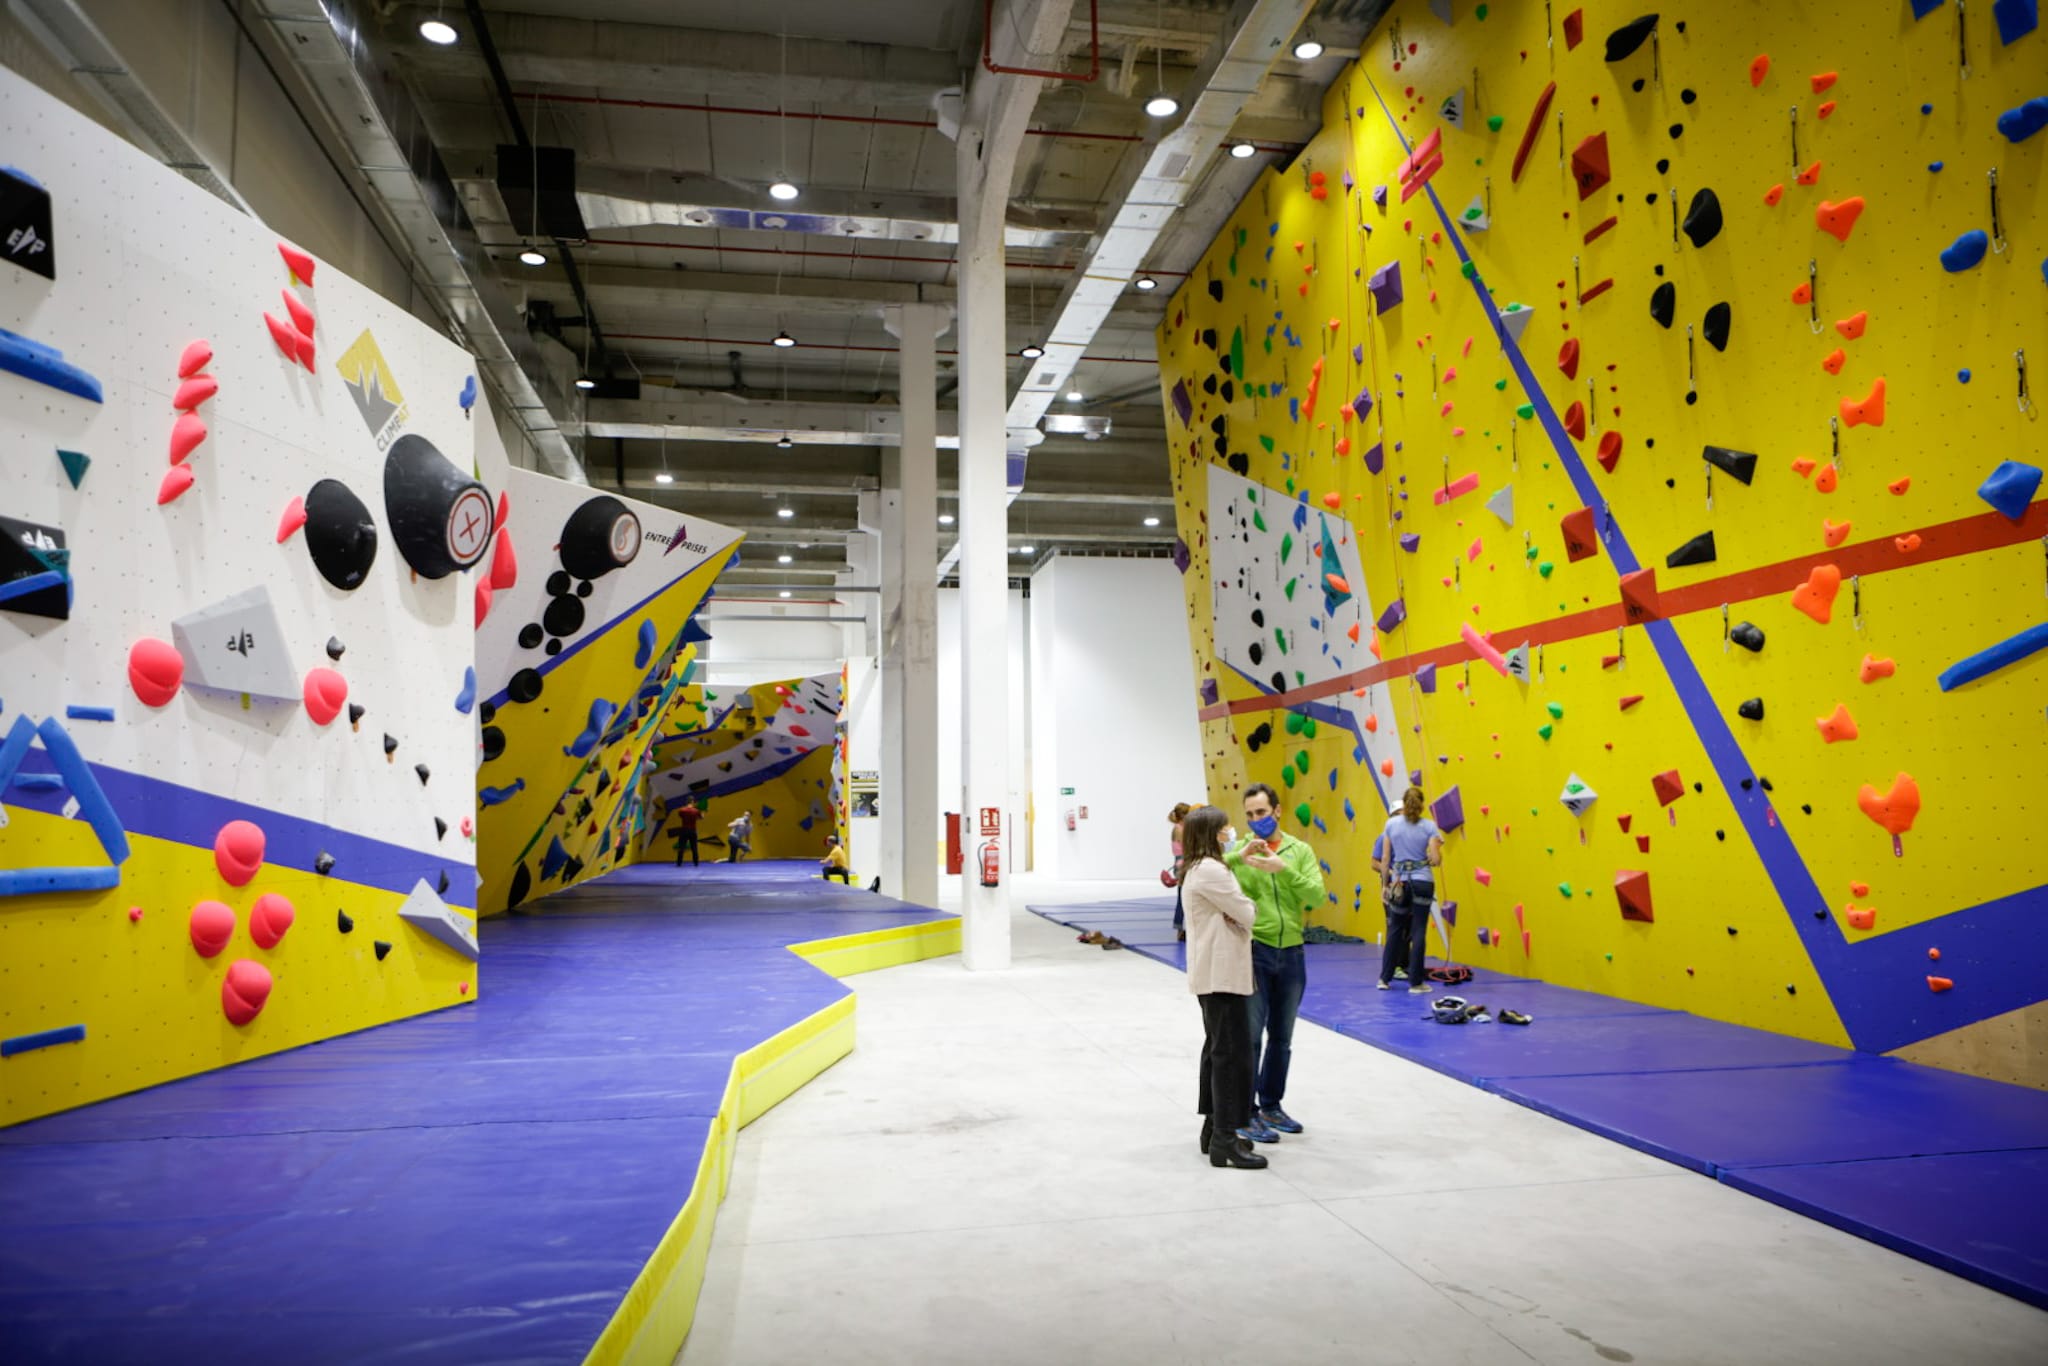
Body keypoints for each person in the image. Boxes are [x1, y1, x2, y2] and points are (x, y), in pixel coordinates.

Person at [1225, 782, 1326, 1143]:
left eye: (1262, 813)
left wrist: (1282, 868)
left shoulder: (1300, 851)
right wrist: (1239, 856)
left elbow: (1317, 894)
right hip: (1256, 951)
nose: (1256, 821)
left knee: (1281, 1038)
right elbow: (1206, 870)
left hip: (1294, 953)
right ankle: (1246, 1112)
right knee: (1250, 1037)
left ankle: (1271, 1105)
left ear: (1277, 811)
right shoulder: (1239, 852)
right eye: (1250, 815)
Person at [1177, 805, 1267, 1170]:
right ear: (1213, 834)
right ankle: (1226, 1139)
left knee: (1217, 1050)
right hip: (1222, 974)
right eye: (1225, 828)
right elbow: (1248, 912)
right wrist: (1241, 908)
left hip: (1212, 974)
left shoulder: (1197, 868)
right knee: (1232, 1055)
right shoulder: (1212, 871)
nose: (1231, 831)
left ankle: (1214, 1128)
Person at [1371, 785, 1445, 993]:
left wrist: (1386, 885)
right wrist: (1435, 850)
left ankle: (1384, 979)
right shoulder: (1429, 827)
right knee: (1418, 929)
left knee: (1395, 929)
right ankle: (1416, 982)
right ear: (1421, 805)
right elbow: (1436, 860)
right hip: (1422, 881)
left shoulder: (1391, 824)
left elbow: (1385, 859)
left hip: (1400, 881)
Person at [1166, 801, 1193, 941]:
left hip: (1182, 863)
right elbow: (1187, 847)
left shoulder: (1180, 828)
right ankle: (1180, 929)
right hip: (1183, 865)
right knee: (1183, 898)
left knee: (1183, 897)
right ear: (1183, 816)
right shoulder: (1179, 829)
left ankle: (1180, 928)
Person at [671, 798, 702, 866]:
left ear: (686, 802)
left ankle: (679, 863)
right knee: (694, 847)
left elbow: (681, 816)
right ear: (692, 802)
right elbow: (700, 817)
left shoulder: (682, 810)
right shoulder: (696, 811)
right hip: (693, 830)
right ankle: (696, 863)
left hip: (684, 830)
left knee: (681, 847)